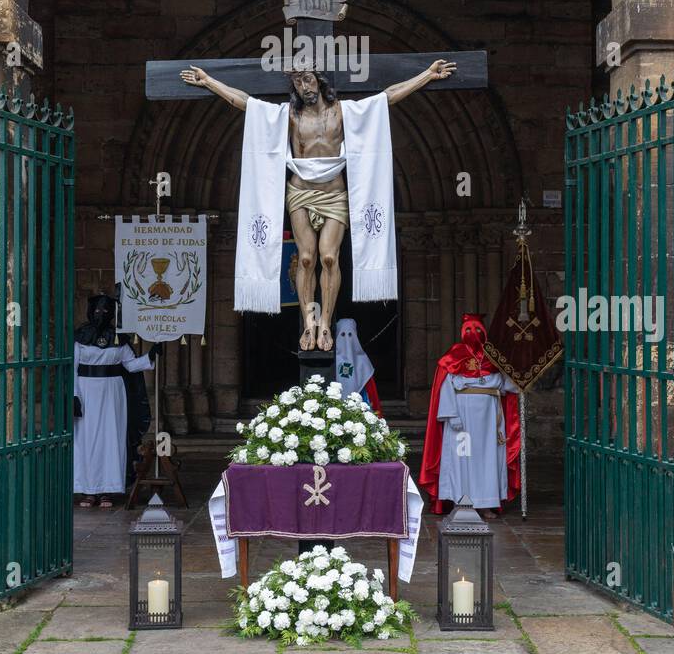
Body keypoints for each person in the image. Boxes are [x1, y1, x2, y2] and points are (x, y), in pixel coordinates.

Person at [180, 58, 455, 352]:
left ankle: (325, 323)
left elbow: (387, 97)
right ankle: (308, 321)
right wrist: (209, 82)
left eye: (308, 79)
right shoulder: (290, 116)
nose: (304, 86)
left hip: (334, 192)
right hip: (300, 191)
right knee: (307, 258)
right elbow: (246, 103)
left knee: (328, 258)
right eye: (298, 82)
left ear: (320, 80)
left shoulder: (342, 112)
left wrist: (426, 74)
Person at [420, 314, 521, 519]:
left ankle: (485, 504)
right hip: (462, 420)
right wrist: (451, 414)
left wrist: (522, 380)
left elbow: (506, 383)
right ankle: (462, 502)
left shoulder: (494, 356)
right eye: (468, 330)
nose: (472, 334)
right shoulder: (454, 355)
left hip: (489, 420)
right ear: (461, 332)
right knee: (461, 459)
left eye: (477, 330)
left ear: (484, 332)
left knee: (488, 460)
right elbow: (446, 387)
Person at [73, 294, 159, 508]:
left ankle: (107, 490)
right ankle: (88, 490)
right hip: (86, 391)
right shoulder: (80, 337)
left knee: (111, 439)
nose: (100, 315)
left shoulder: (119, 338)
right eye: (96, 311)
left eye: (105, 311)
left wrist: (151, 356)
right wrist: (74, 396)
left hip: (113, 394)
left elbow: (130, 365)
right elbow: (71, 368)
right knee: (87, 440)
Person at [334, 316, 382, 413]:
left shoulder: (363, 360)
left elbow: (370, 390)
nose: (347, 341)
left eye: (350, 335)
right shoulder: (331, 359)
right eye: (342, 334)